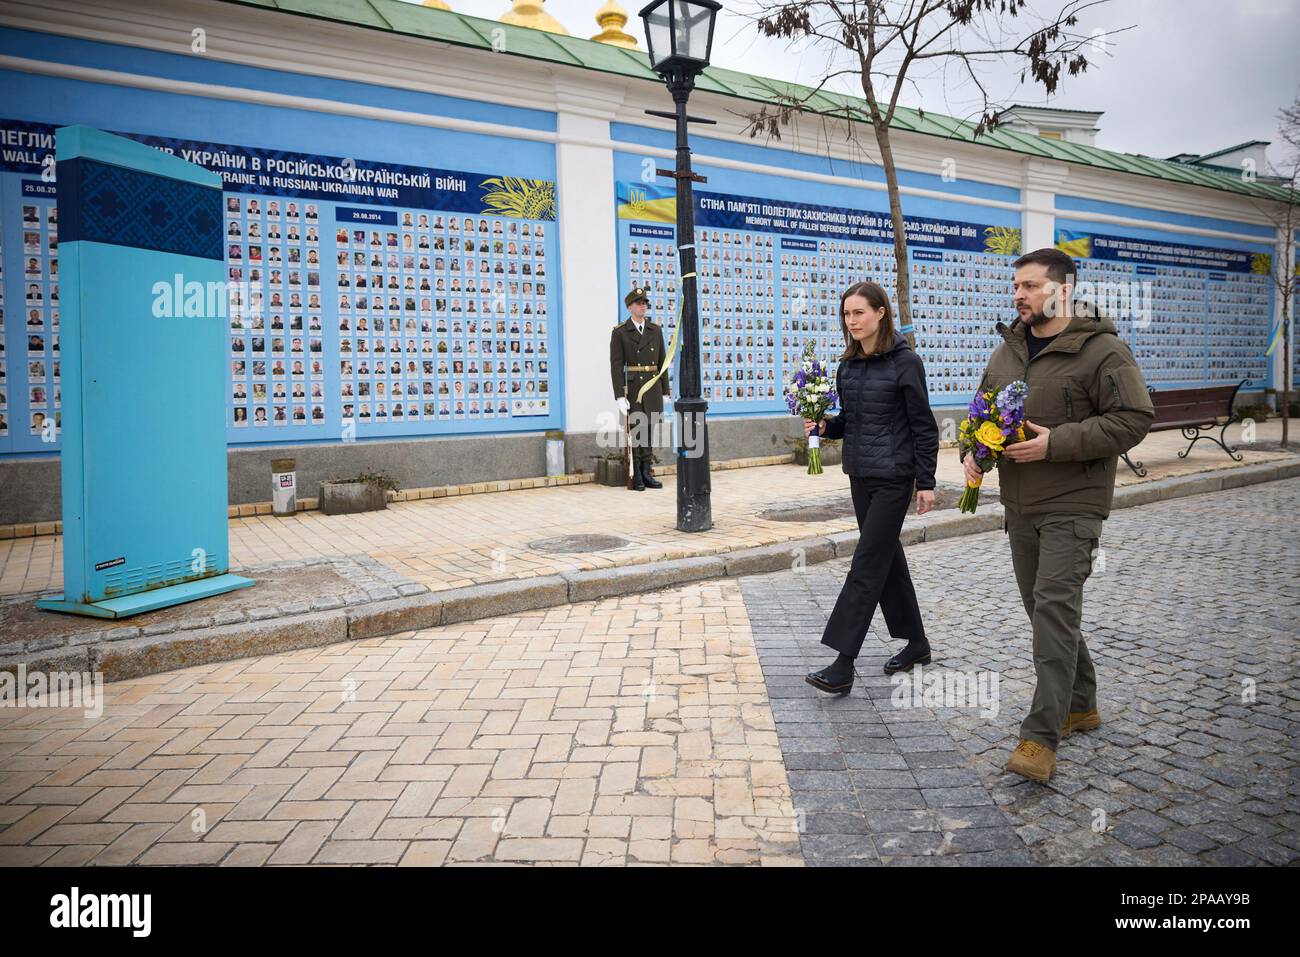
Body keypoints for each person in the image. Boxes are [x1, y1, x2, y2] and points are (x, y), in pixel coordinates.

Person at [965, 247, 1153, 783]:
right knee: (1045, 610)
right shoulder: (1008, 350)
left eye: (1029, 285)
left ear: (1062, 290)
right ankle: (1081, 704)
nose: (1019, 294)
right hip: (1019, 504)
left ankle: (1041, 736)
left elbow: (1135, 419)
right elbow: (984, 411)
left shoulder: (1102, 351)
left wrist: (1056, 444)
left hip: (1075, 502)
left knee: (1052, 609)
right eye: (1016, 285)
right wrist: (973, 454)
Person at [804, 281, 939, 695]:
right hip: (859, 475)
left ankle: (843, 663)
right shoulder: (848, 365)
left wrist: (926, 482)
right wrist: (826, 426)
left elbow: (924, 426)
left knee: (865, 564)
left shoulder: (906, 362)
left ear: (881, 312)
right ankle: (916, 643)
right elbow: (852, 421)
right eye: (847, 314)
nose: (852, 321)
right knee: (886, 559)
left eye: (859, 312)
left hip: (895, 478)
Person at [609, 286, 671, 491]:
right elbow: (617, 365)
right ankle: (636, 474)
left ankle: (647, 471)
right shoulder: (620, 332)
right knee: (637, 430)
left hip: (652, 386)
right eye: (638, 303)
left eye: (645, 303)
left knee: (650, 429)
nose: (643, 306)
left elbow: (662, 361)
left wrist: (665, 390)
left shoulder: (655, 330)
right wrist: (619, 394)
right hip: (634, 388)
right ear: (629, 307)